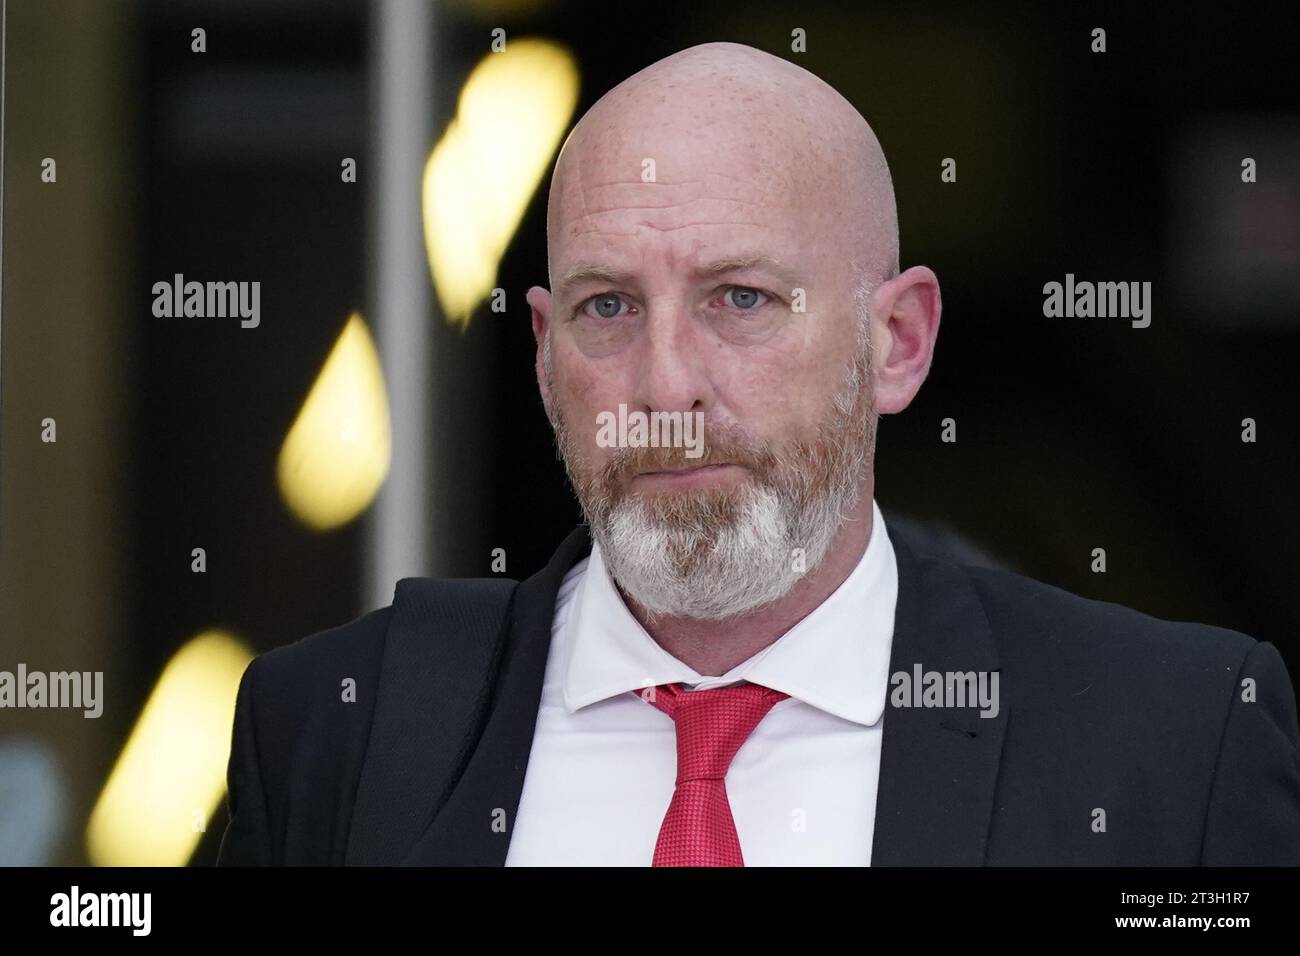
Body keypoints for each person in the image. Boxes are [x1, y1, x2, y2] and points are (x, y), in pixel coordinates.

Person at [217, 42, 1300, 866]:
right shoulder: (330, 732)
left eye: (740, 298)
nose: (665, 384)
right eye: (607, 307)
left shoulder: (1173, 739)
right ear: (545, 357)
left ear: (897, 342)